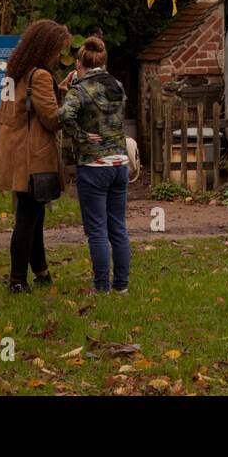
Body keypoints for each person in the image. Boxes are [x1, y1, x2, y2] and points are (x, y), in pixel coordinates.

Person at [0, 19, 71, 294]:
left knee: (34, 216)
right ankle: (17, 280)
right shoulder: (40, 75)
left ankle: (41, 271)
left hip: (14, 155)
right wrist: (71, 102)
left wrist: (56, 92)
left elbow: (22, 110)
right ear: (46, 47)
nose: (59, 56)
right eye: (59, 50)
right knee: (27, 219)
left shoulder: (15, 72)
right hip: (33, 159)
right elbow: (52, 119)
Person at [58, 35, 131, 293]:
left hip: (94, 165)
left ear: (80, 62)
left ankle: (102, 287)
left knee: (97, 231)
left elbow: (65, 114)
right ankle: (121, 286)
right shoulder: (118, 86)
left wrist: (81, 135)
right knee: (118, 228)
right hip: (120, 163)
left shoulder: (80, 90)